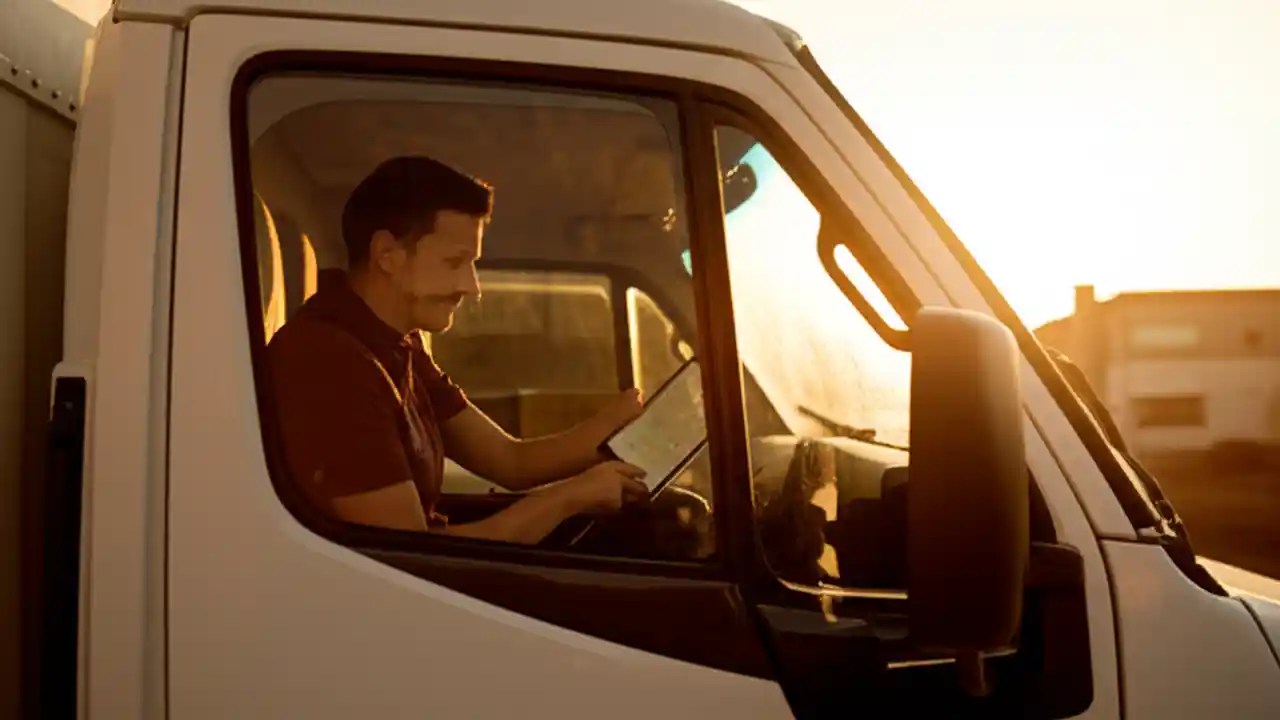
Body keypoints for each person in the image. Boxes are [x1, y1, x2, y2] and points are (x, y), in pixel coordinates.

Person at [267, 156, 649, 543]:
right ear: (387, 255)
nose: (472, 286)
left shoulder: (398, 344)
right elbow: (411, 561)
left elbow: (509, 461)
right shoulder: (329, 363)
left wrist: (615, 427)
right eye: (454, 262)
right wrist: (571, 498)